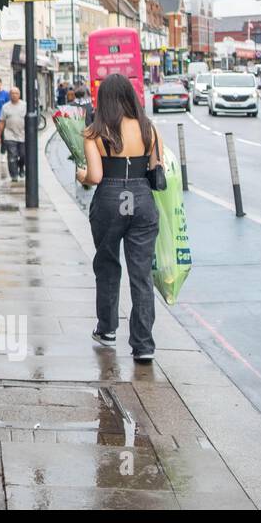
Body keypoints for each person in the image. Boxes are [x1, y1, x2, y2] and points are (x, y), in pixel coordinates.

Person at [75, 73, 161, 363]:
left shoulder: (94, 133)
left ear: (103, 101)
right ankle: (144, 344)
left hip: (111, 199)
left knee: (108, 264)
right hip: (141, 198)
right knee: (141, 274)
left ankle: (107, 329)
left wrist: (81, 174)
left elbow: (95, 177)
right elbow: (157, 169)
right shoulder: (149, 129)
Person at [0, 87, 27, 181]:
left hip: (23, 135)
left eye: (16, 93)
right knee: (12, 156)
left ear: (19, 95)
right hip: (9, 135)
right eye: (12, 93)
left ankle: (21, 167)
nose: (14, 95)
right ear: (9, 95)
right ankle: (14, 175)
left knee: (23, 155)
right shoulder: (5, 107)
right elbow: (2, 121)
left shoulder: (25, 105)